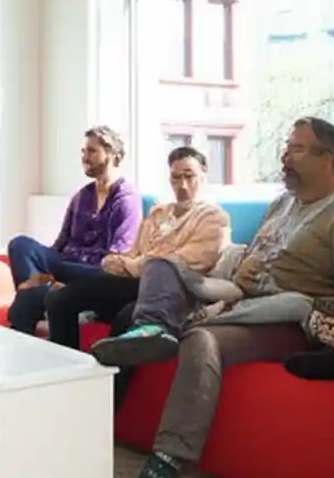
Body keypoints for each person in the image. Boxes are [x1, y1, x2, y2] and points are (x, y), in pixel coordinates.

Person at [98, 117, 334, 478]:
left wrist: (272, 294)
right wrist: (234, 273)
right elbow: (255, 255)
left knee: (201, 340)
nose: (285, 157)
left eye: (295, 149)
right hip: (235, 296)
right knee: (161, 264)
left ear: (326, 158)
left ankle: (164, 467)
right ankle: (154, 327)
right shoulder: (283, 203)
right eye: (286, 147)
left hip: (284, 319)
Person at [45, 146, 230, 352]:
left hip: (174, 291)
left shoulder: (213, 218)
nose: (183, 185)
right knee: (59, 298)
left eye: (189, 176)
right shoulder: (159, 213)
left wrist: (133, 264)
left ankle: (113, 383)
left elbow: (184, 264)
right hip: (133, 284)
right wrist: (130, 263)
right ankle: (66, 373)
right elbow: (128, 255)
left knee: (127, 317)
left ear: (204, 176)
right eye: (176, 178)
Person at [6, 125, 143, 336]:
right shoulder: (82, 196)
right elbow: (60, 245)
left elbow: (117, 258)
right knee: (21, 245)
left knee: (42, 286)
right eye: (83, 151)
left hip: (97, 272)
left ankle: (47, 298)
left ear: (112, 155)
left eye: (92, 151)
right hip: (65, 264)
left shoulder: (126, 199)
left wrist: (59, 272)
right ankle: (43, 298)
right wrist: (47, 269)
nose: (85, 157)